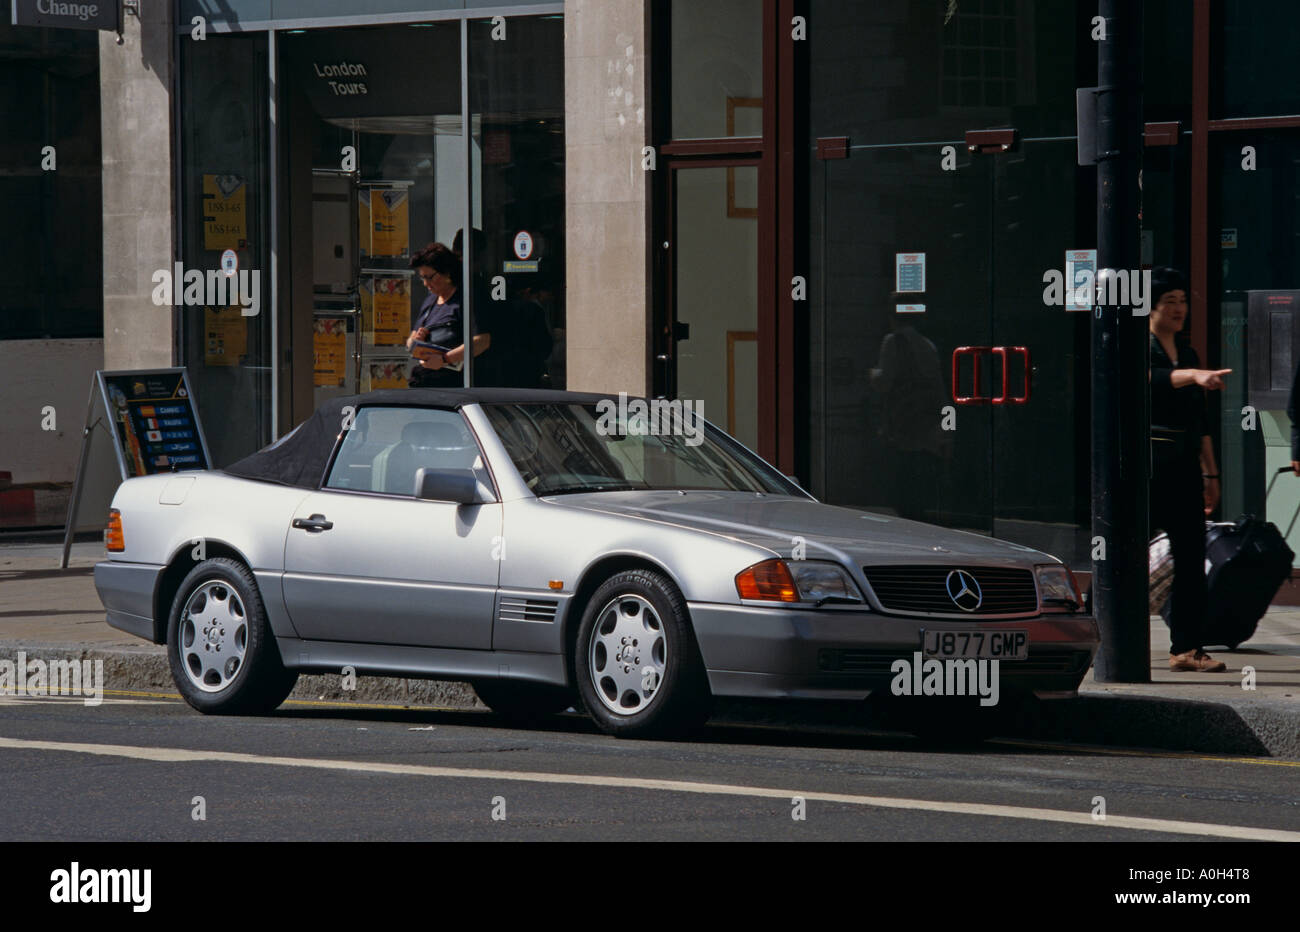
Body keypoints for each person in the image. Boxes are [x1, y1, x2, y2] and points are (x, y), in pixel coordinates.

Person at [1148, 268, 1233, 672]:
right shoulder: (1138, 348)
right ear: (1151, 307)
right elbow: (1153, 380)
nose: (1180, 309)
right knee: (1126, 555)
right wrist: (1194, 376)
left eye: (1183, 301)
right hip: (1145, 471)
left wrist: (1211, 475)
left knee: (1190, 556)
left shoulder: (1190, 352)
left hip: (1183, 468)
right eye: (1171, 302)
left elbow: (1200, 424)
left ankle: (1186, 648)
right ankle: (1091, 627)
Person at [405, 242, 491, 388]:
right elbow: (411, 339)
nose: (426, 283)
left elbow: (481, 341)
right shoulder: (430, 301)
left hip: (456, 384)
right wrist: (416, 342)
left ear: (447, 273)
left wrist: (445, 359)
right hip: (426, 380)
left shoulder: (467, 299)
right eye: (422, 278)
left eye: (430, 277)